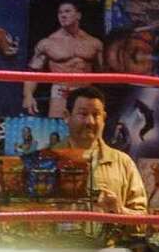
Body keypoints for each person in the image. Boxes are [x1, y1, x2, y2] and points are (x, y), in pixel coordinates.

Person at [62, 87, 148, 215]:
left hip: (111, 235)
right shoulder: (48, 159)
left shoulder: (123, 162)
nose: (90, 121)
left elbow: (142, 217)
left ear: (104, 118)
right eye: (83, 114)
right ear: (66, 116)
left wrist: (119, 210)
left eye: (96, 114)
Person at [25, 0, 105, 118]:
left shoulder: (94, 43)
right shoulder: (47, 43)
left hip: (85, 93)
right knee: (58, 129)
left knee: (85, 129)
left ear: (78, 15)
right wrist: (28, 95)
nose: (63, 15)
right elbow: (33, 72)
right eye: (60, 12)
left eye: (67, 11)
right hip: (61, 92)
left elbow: (103, 73)